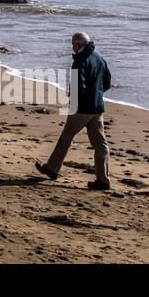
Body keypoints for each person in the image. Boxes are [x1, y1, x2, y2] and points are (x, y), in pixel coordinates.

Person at [35, 31, 112, 190]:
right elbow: (107, 82)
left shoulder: (79, 60)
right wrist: (97, 96)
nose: (72, 47)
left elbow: (78, 86)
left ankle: (52, 169)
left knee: (66, 137)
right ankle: (103, 180)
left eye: (73, 44)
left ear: (78, 44)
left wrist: (73, 105)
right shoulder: (99, 58)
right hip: (97, 108)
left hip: (82, 109)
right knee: (100, 144)